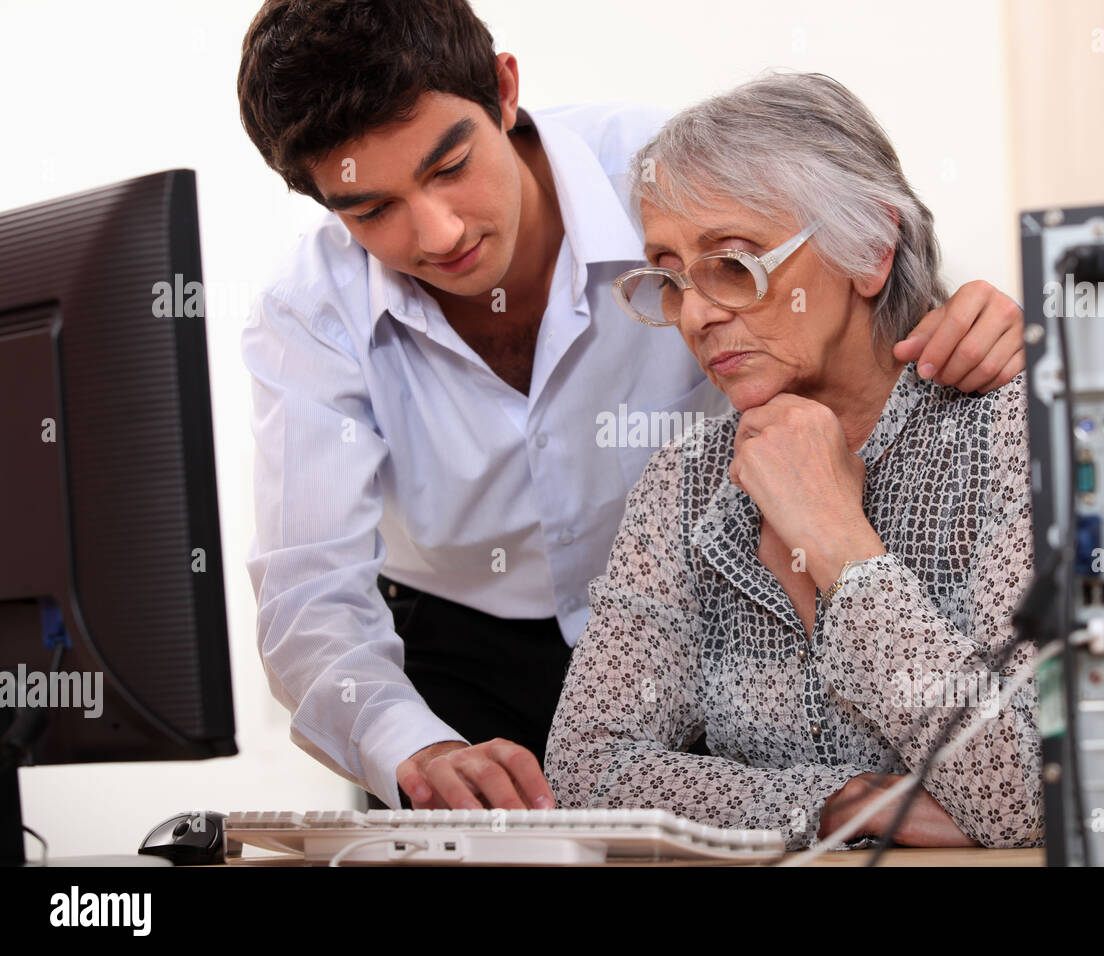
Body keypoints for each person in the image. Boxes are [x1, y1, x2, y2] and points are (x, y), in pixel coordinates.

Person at [236, 0, 1028, 814]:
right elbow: (311, 591)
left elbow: (872, 270)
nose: (438, 233)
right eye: (372, 210)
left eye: (450, 167)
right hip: (456, 644)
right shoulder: (310, 313)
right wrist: (414, 744)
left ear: (505, 91)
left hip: (678, 639)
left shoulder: (671, 178)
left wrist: (987, 323)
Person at [545, 73, 1041, 849]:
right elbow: (587, 773)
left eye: (734, 265)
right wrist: (835, 803)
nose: (698, 315)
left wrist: (840, 542)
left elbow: (1026, 797)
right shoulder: (686, 481)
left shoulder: (1013, 434)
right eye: (669, 277)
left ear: (871, 250)